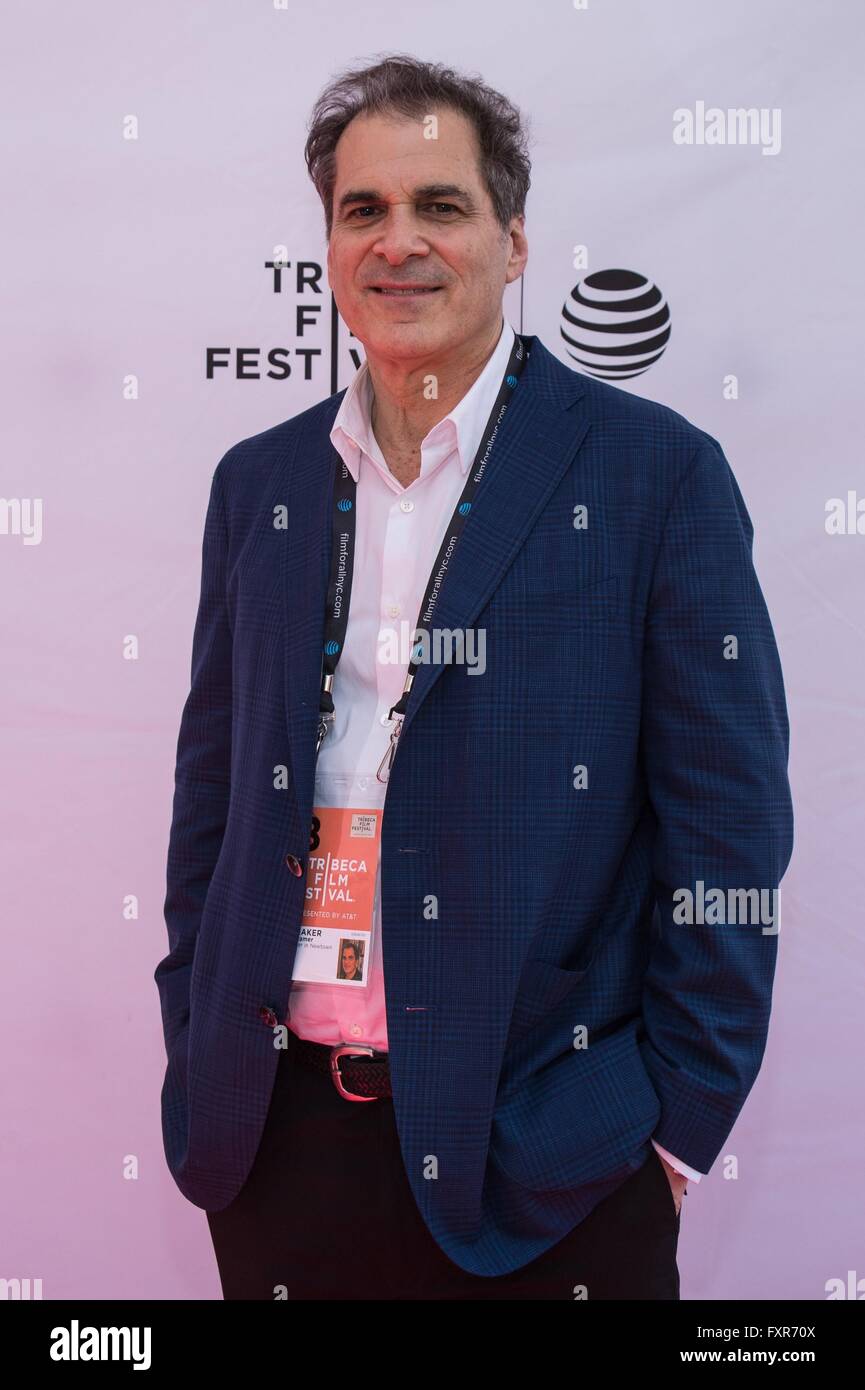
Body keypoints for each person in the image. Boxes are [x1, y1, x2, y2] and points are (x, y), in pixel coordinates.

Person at [155, 53, 794, 1300]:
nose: (399, 243)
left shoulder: (652, 478)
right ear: (332, 247)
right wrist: (197, 1043)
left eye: (439, 206)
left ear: (512, 241)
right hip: (278, 1149)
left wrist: (669, 1127)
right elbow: (210, 805)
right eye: (363, 211)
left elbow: (728, 837)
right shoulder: (260, 485)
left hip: (553, 1158)